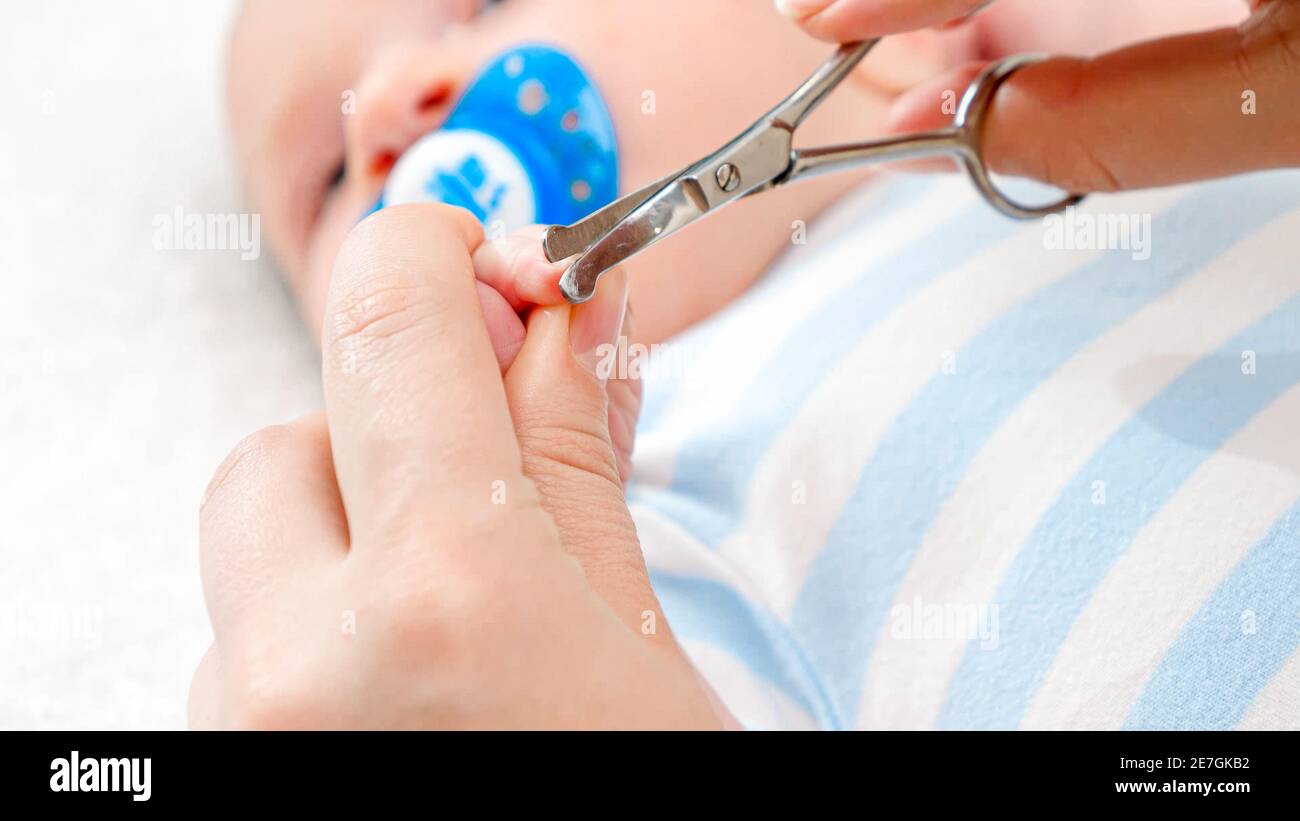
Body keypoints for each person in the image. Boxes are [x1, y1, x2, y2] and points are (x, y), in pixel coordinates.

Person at [193, 0, 1300, 728]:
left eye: (485, 1)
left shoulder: (1168, 69)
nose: (385, 103)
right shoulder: (597, 534)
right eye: (327, 174)